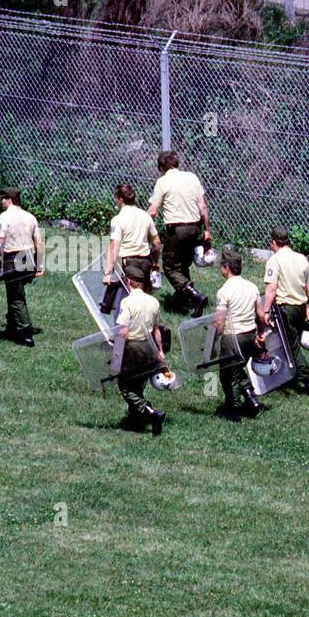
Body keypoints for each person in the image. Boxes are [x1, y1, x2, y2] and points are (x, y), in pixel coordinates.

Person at [0, 186, 44, 347]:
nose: (1, 201)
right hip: (28, 258)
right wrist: (39, 265)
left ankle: (25, 335)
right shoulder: (30, 217)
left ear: (9, 199)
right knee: (13, 293)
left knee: (16, 297)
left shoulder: (5, 217)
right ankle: (12, 328)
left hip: (12, 258)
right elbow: (38, 243)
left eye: (2, 198)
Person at [147, 150, 210, 317]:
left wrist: (139, 223)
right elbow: (203, 207)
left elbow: (153, 211)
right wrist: (207, 230)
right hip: (195, 227)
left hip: (177, 230)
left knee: (169, 267)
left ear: (161, 167)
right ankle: (183, 299)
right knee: (182, 265)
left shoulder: (163, 181)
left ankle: (195, 296)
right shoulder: (192, 177)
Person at [261, 227, 309, 395]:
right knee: (292, 342)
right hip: (301, 307)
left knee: (290, 346)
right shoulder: (301, 258)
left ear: (273, 242)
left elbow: (271, 288)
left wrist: (265, 312)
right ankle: (289, 375)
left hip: (285, 309)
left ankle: (308, 379)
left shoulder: (274, 260)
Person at [213, 250, 269, 421]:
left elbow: (219, 322)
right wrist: (260, 334)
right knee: (238, 369)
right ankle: (252, 399)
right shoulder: (252, 287)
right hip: (250, 335)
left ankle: (233, 410)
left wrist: (215, 338)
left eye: (221, 267)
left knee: (228, 375)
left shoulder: (224, 291)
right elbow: (260, 315)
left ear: (226, 268)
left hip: (232, 337)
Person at [113, 269, 166, 436]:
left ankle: (151, 413)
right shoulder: (153, 302)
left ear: (129, 282)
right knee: (138, 384)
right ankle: (136, 419)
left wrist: (116, 353)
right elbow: (156, 330)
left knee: (125, 386)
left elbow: (122, 331)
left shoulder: (127, 303)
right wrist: (160, 351)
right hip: (149, 348)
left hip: (133, 347)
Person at [102, 183, 160, 316]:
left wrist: (107, 273)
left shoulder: (118, 219)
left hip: (128, 265)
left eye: (116, 198)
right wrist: (156, 264)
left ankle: (120, 334)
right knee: (144, 302)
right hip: (146, 263)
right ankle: (148, 331)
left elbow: (113, 247)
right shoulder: (145, 216)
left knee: (125, 304)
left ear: (121, 199)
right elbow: (156, 242)